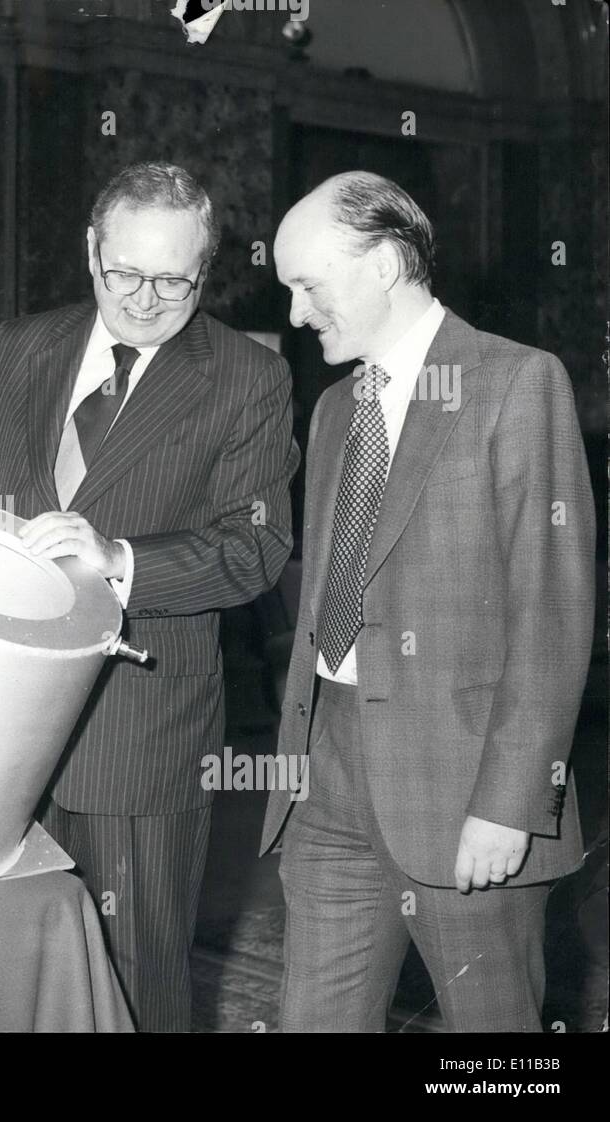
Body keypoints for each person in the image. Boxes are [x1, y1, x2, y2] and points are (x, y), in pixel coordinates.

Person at [0, 162, 299, 1031]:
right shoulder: (18, 344)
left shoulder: (246, 379)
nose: (145, 300)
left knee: (134, 983)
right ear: (90, 252)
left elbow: (256, 547)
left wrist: (119, 558)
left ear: (206, 271)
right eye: (125, 273)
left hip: (140, 732)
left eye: (173, 280)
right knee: (7, 973)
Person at [261, 171, 595, 1032]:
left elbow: (551, 617)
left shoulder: (516, 383)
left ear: (381, 265)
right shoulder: (335, 410)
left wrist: (511, 803)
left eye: (308, 286)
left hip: (463, 786)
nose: (297, 315)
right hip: (325, 774)